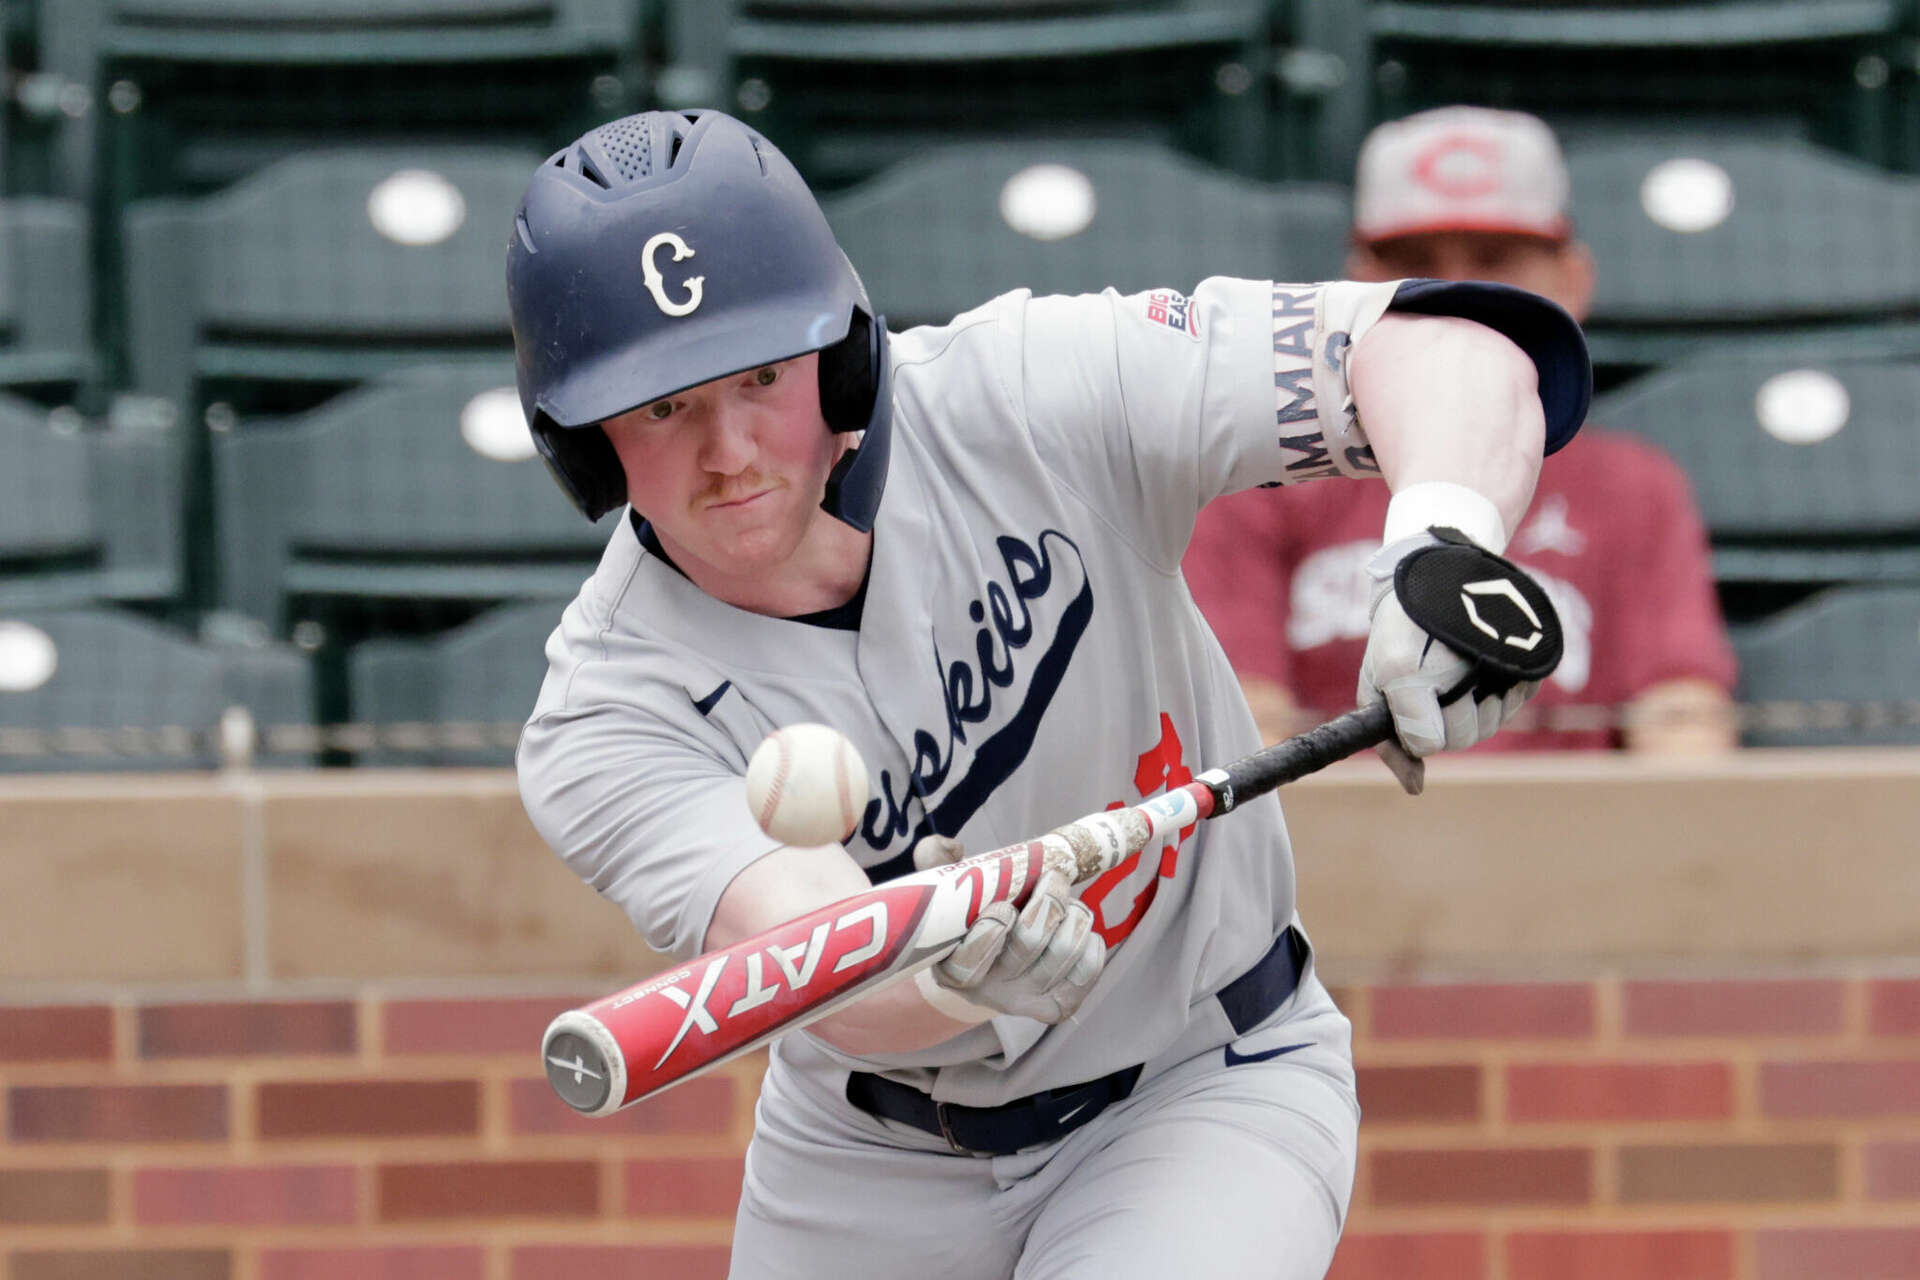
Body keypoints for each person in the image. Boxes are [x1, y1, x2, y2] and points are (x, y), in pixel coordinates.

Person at [509, 108, 1589, 1279]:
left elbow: (1451, 346)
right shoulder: (604, 711)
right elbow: (824, 971)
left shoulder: (1027, 390)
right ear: (581, 441)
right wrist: (947, 979)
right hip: (864, 1163)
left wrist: (1442, 546)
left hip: (1198, 1079)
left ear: (844, 350)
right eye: (665, 405)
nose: (731, 452)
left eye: (763, 374)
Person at [1186, 105, 1738, 754]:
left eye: (1496, 260)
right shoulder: (1262, 479)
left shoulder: (1634, 489)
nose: (1454, 291)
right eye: (1414, 259)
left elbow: (1682, 725)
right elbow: (1240, 731)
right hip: (1332, 849)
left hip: (1561, 848)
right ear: (1354, 285)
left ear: (1572, 281)